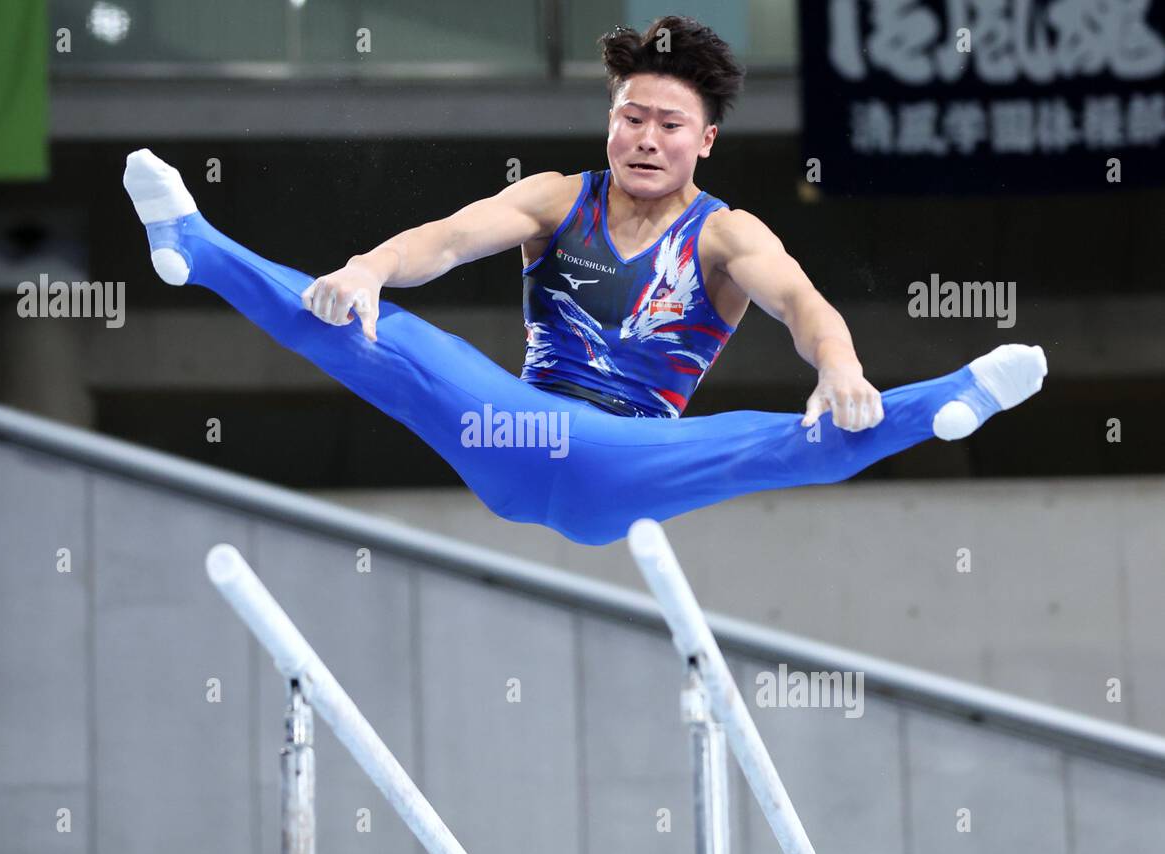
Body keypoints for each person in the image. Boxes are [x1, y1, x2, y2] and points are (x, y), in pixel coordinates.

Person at [121, 16, 1047, 547]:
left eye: (669, 125)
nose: (646, 138)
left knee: (795, 435)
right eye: (630, 118)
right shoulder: (558, 199)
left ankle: (948, 399)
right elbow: (446, 240)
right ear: (610, 124)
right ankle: (193, 245)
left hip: (627, 460)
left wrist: (839, 366)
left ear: (705, 141)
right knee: (374, 329)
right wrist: (367, 269)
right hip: (511, 428)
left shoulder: (726, 233)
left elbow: (803, 304)